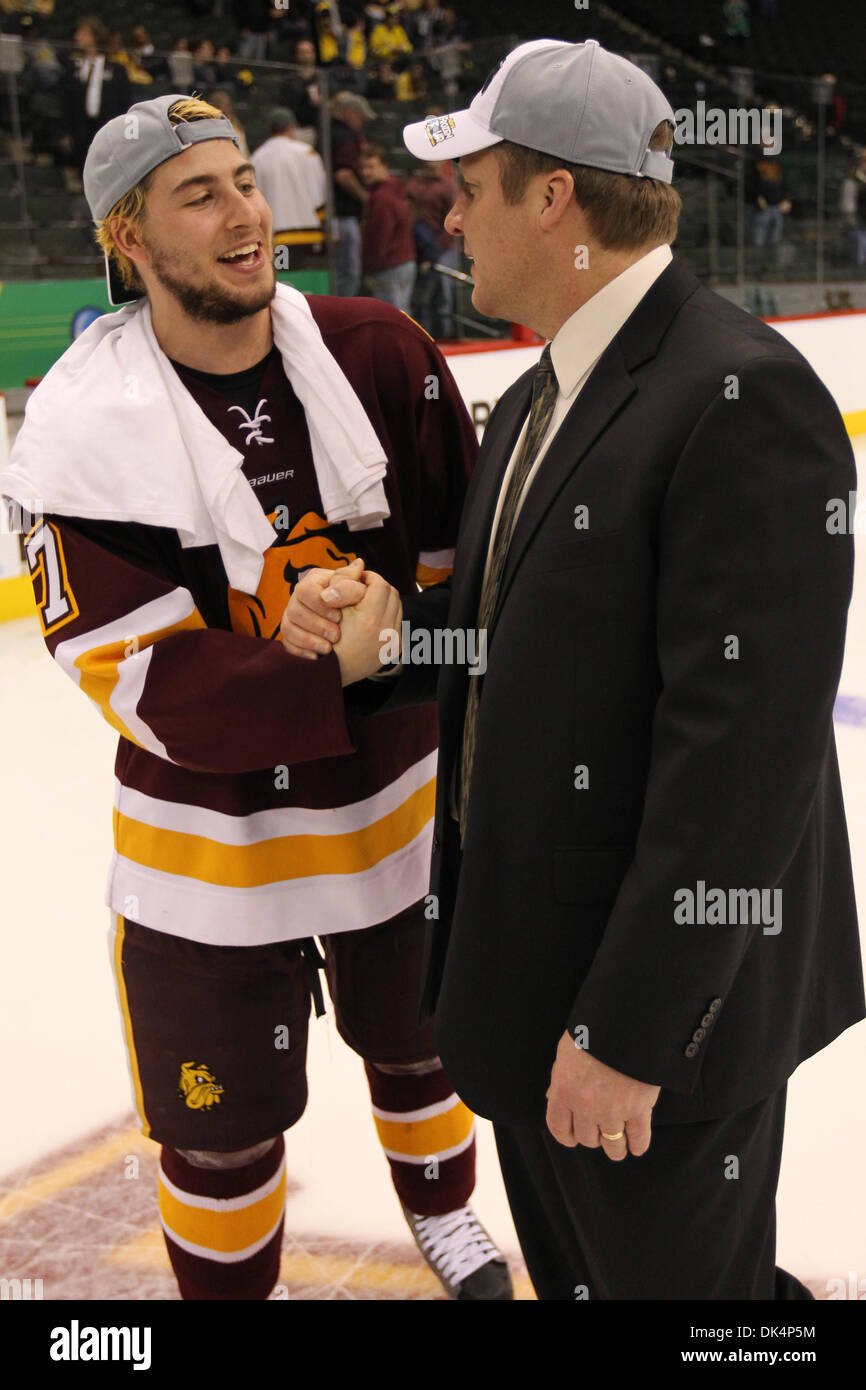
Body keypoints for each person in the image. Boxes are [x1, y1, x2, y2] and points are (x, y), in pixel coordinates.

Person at [281, 38, 865, 1300]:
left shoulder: (737, 394)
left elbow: (742, 768)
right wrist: (396, 637)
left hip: (654, 1026)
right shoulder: (549, 382)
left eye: (469, 184)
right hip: (530, 992)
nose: (447, 212)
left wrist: (630, 1034)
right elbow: (521, 632)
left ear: (553, 197)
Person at [1, 92, 512, 1303]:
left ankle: (446, 1217)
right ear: (127, 237)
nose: (249, 215)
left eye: (246, 180)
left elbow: (480, 589)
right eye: (202, 193)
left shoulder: (378, 353)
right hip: (209, 852)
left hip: (395, 806)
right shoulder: (79, 431)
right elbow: (140, 681)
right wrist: (318, 664)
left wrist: (396, 639)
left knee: (423, 1049)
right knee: (217, 1131)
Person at [251, 106, 327, 265]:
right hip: (311, 236)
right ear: (291, 127)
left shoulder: (257, 158)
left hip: (277, 239)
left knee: (285, 283)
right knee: (311, 285)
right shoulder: (307, 152)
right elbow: (320, 194)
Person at [360, 144, 416, 312]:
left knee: (392, 318)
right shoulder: (397, 190)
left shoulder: (382, 198)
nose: (365, 172)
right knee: (403, 313)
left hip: (389, 265)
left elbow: (379, 237)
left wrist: (369, 267)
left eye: (371, 167)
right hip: (405, 261)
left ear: (384, 166)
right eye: (363, 167)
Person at [407, 158, 459, 337]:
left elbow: (454, 214)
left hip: (444, 246)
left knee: (443, 293)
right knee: (422, 295)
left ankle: (445, 334)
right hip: (420, 247)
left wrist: (438, 246)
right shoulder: (415, 183)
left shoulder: (448, 186)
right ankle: (426, 334)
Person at [330, 91, 374, 296]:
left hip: (335, 214)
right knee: (348, 272)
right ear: (349, 112)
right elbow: (343, 174)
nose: (362, 122)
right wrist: (364, 196)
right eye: (360, 116)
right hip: (344, 214)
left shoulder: (331, 131)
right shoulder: (345, 136)